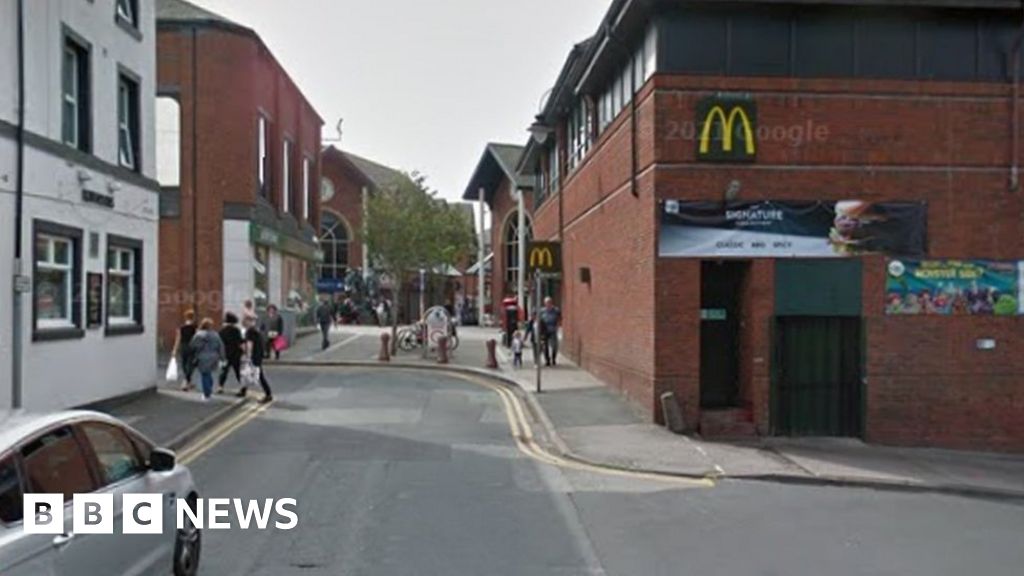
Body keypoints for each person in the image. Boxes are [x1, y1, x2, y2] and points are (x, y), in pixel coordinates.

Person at [238, 315, 273, 404]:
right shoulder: (255, 330)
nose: (243, 322)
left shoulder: (250, 331)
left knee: (259, 376)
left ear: (248, 321)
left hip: (253, 357)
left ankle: (268, 394)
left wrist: (247, 355)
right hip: (258, 356)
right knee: (247, 374)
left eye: (244, 320)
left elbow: (250, 345)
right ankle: (243, 390)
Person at [190, 318, 225, 401]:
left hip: (202, 357)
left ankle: (207, 394)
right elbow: (221, 346)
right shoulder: (216, 335)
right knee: (209, 374)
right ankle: (209, 388)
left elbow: (192, 345)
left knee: (205, 375)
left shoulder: (198, 335)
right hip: (214, 357)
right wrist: (222, 357)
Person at [170, 310, 198, 391]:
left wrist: (174, 350)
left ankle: (187, 382)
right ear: (193, 317)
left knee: (184, 364)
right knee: (190, 365)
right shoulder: (195, 327)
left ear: (185, 317)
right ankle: (186, 382)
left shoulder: (181, 327)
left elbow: (178, 339)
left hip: (183, 346)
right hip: (192, 347)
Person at [218, 312, 244, 394]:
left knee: (224, 371)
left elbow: (219, 343)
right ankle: (242, 387)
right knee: (238, 371)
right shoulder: (236, 330)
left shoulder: (222, 331)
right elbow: (240, 342)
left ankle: (220, 387)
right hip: (236, 353)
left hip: (225, 353)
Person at [539, 297, 562, 367]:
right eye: (546, 303)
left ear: (551, 303)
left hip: (553, 329)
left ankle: (553, 358)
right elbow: (539, 320)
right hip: (544, 331)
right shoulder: (542, 311)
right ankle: (547, 360)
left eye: (549, 303)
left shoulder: (556, 310)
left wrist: (558, 326)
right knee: (544, 346)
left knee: (554, 345)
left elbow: (559, 319)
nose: (548, 304)